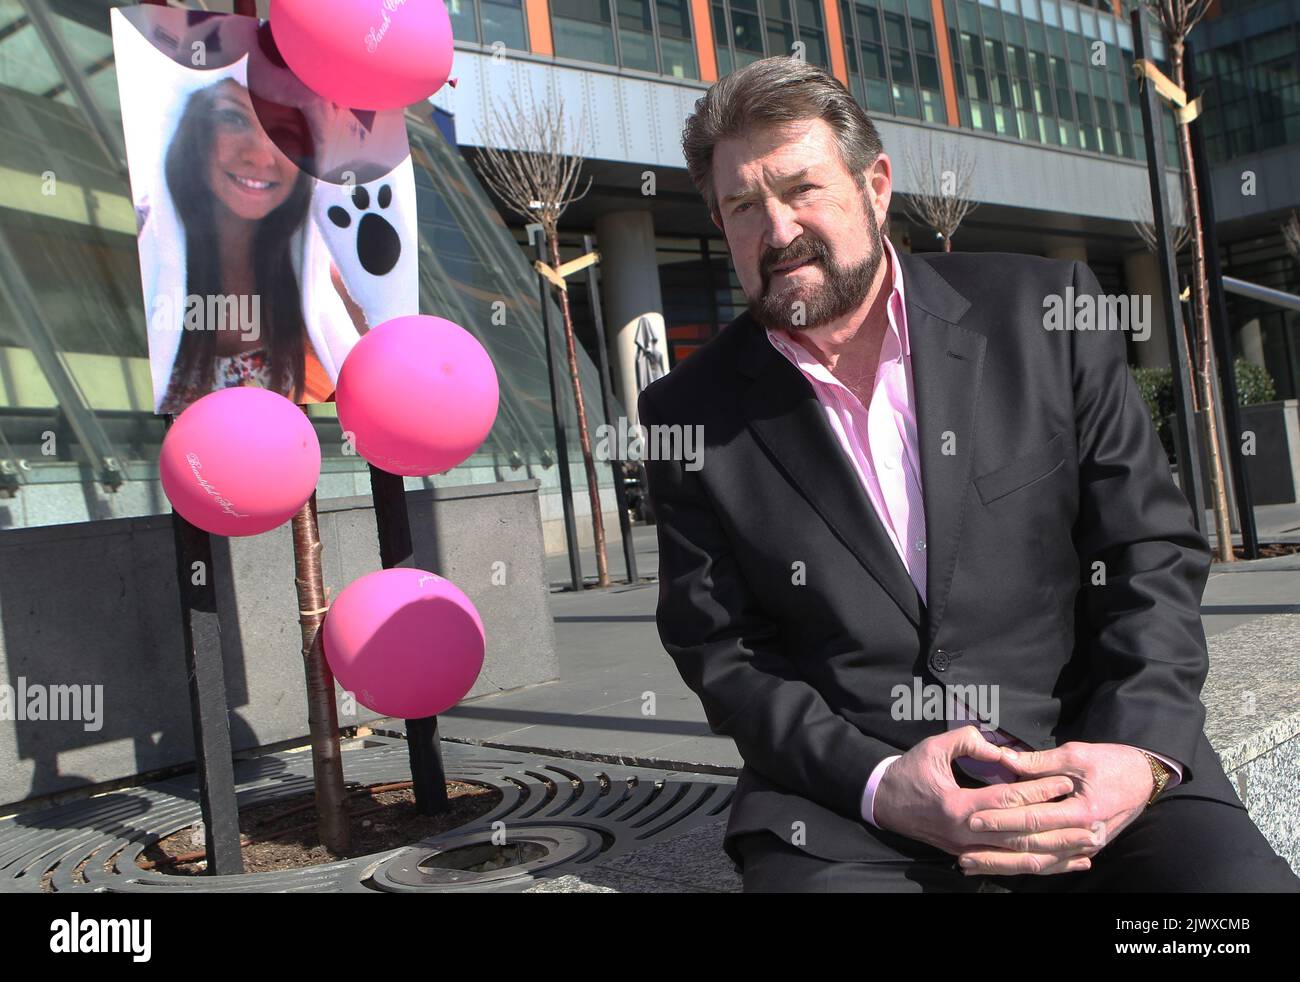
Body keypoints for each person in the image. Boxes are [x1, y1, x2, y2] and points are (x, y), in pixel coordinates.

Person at [637, 57, 1300, 893]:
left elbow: (1149, 548)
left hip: (1091, 757)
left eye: (802, 189)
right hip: (854, 814)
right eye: (742, 205)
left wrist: (1135, 752)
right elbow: (723, 651)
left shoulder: (1044, 314)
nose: (777, 231)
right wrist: (883, 788)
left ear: (876, 185)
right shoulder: (686, 414)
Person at [154, 77, 360, 413]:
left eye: (286, 133)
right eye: (235, 119)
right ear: (194, 130)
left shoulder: (336, 286)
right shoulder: (144, 253)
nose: (261, 155)